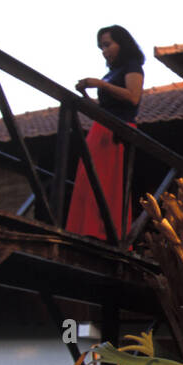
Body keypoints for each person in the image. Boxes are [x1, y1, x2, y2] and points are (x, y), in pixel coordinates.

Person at [64, 25, 145, 242]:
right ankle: (86, 229)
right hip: (100, 130)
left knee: (108, 183)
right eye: (101, 47)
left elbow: (133, 97)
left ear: (122, 43)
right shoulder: (111, 73)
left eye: (107, 45)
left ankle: (106, 233)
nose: (104, 50)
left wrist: (100, 84)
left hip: (119, 131)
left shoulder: (132, 66)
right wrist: (85, 95)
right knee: (89, 180)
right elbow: (103, 109)